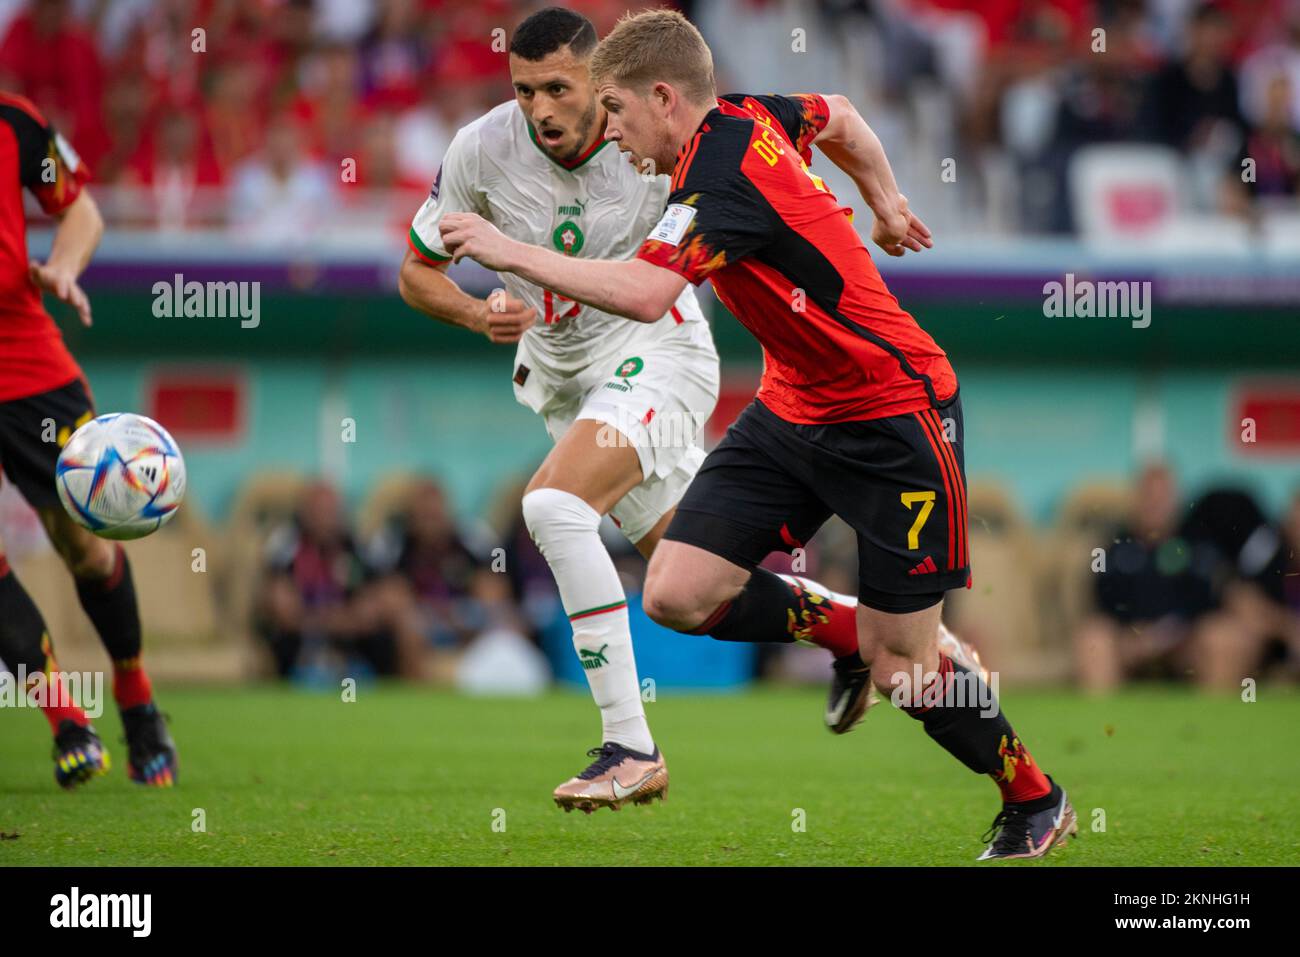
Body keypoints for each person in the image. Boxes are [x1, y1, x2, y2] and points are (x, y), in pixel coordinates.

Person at [438, 8, 1070, 861]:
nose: (607, 132)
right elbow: (840, 112)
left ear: (663, 99)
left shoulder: (718, 181)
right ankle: (845, 633)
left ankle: (1034, 797)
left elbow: (644, 295)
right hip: (793, 410)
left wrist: (501, 246)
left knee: (904, 665)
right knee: (676, 591)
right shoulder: (751, 113)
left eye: (615, 111)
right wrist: (883, 200)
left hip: (894, 417)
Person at [0, 92, 177, 788]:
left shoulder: (14, 121)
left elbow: (80, 208)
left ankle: (134, 695)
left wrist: (64, 267)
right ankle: (67, 719)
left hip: (25, 360)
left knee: (82, 542)